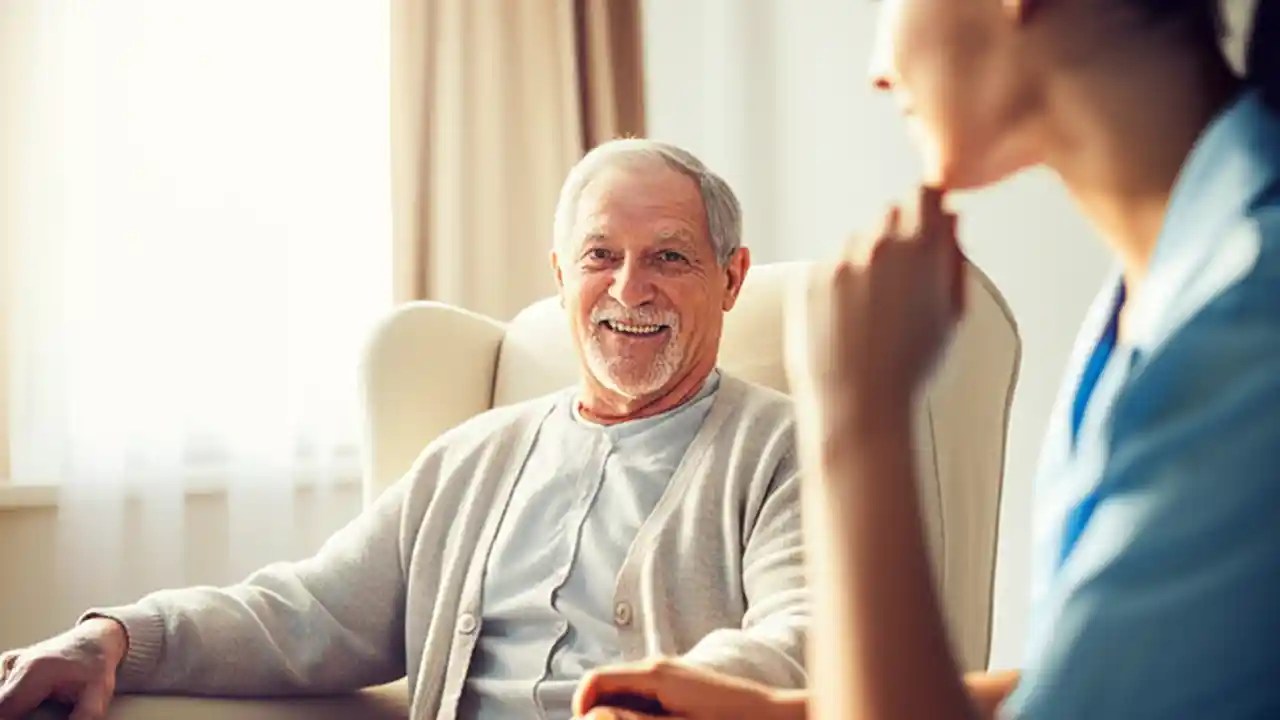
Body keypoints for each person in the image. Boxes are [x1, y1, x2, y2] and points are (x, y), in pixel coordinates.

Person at [574, 1, 1280, 718]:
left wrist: (856, 414)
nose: (879, 69)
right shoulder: (1165, 296)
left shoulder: (1249, 317)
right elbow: (1109, 685)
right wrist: (784, 713)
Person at [0, 140, 810, 720]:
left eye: (669, 258)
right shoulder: (472, 456)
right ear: (562, 274)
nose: (629, 290)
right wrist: (117, 635)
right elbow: (307, 612)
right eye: (601, 255)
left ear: (730, 278)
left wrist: (664, 699)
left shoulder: (786, 448)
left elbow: (802, 634)